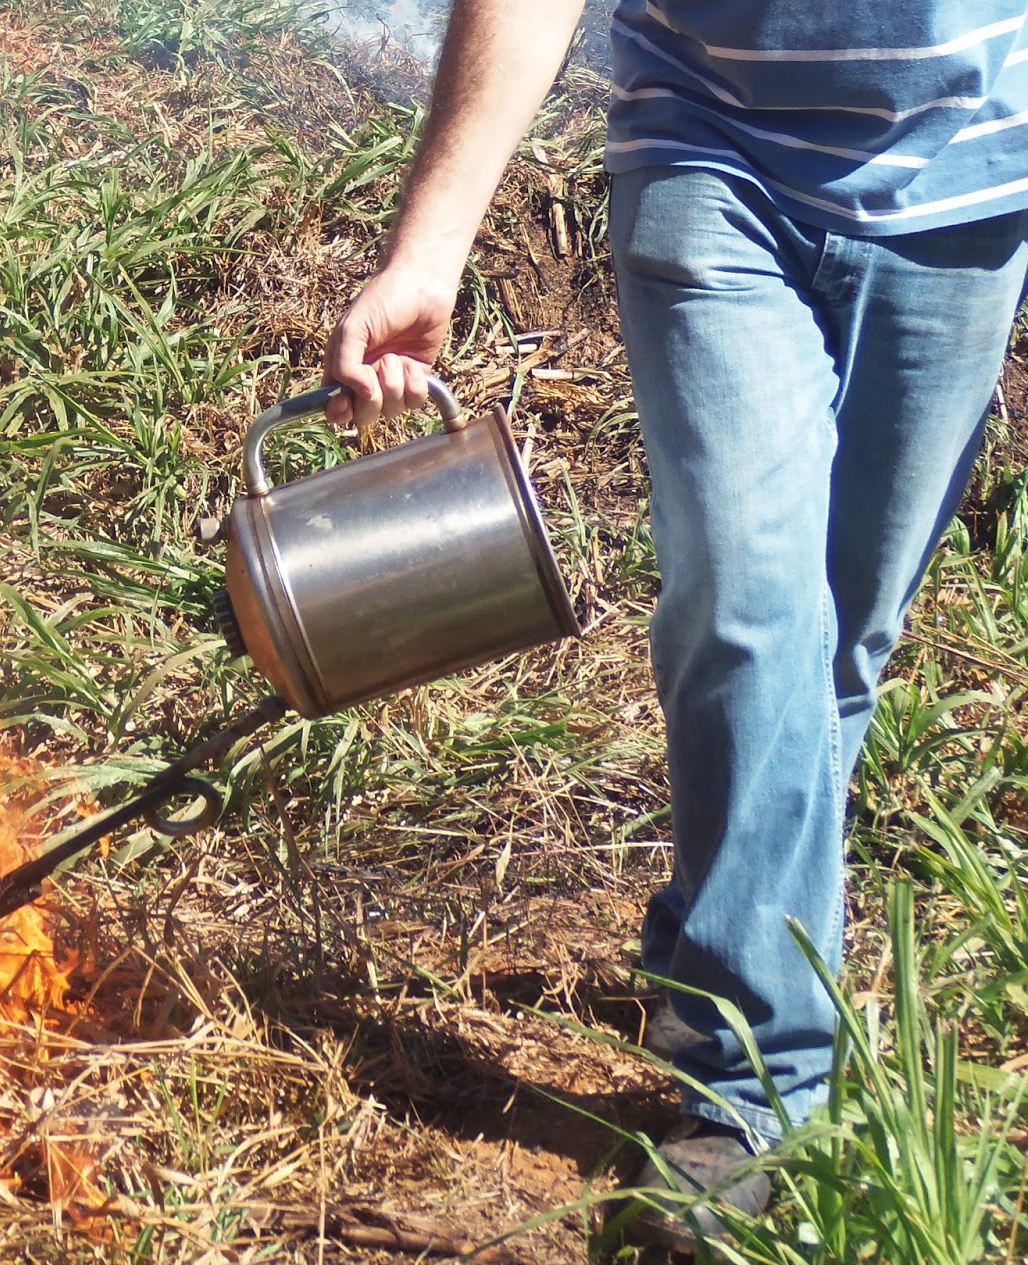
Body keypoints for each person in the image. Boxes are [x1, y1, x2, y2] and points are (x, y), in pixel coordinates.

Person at [323, 1, 1028, 1251]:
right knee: (752, 604)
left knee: (842, 641)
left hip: (967, 188)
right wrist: (429, 247)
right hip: (712, 156)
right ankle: (754, 1080)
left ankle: (728, 915)